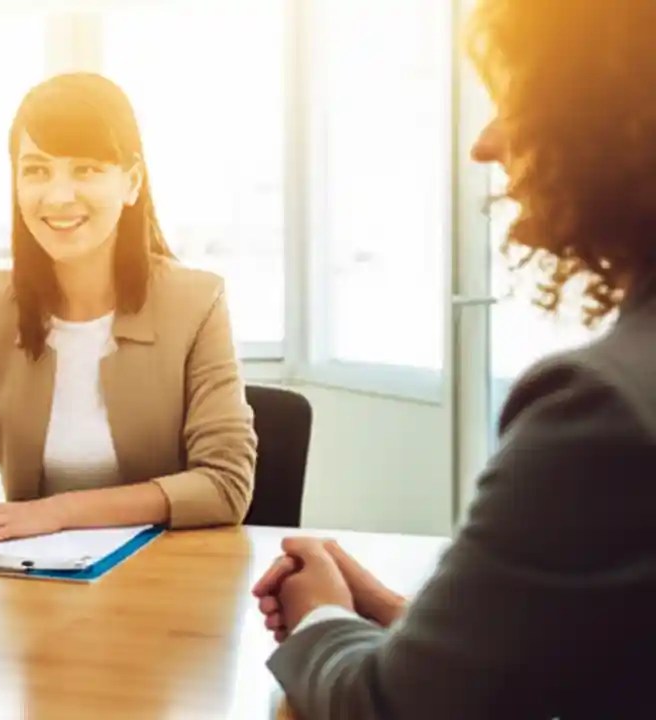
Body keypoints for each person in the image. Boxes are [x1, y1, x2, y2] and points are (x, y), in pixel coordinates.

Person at [251, 0, 656, 717]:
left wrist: (319, 619)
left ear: (608, 120)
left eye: (512, 102)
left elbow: (392, 708)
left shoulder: (602, 411)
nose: (485, 143)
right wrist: (393, 613)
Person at [0, 72, 259, 550]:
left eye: (85, 169)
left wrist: (55, 513)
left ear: (131, 182)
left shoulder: (196, 303)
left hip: (165, 586)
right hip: (39, 593)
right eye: (37, 170)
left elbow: (225, 484)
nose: (58, 195)